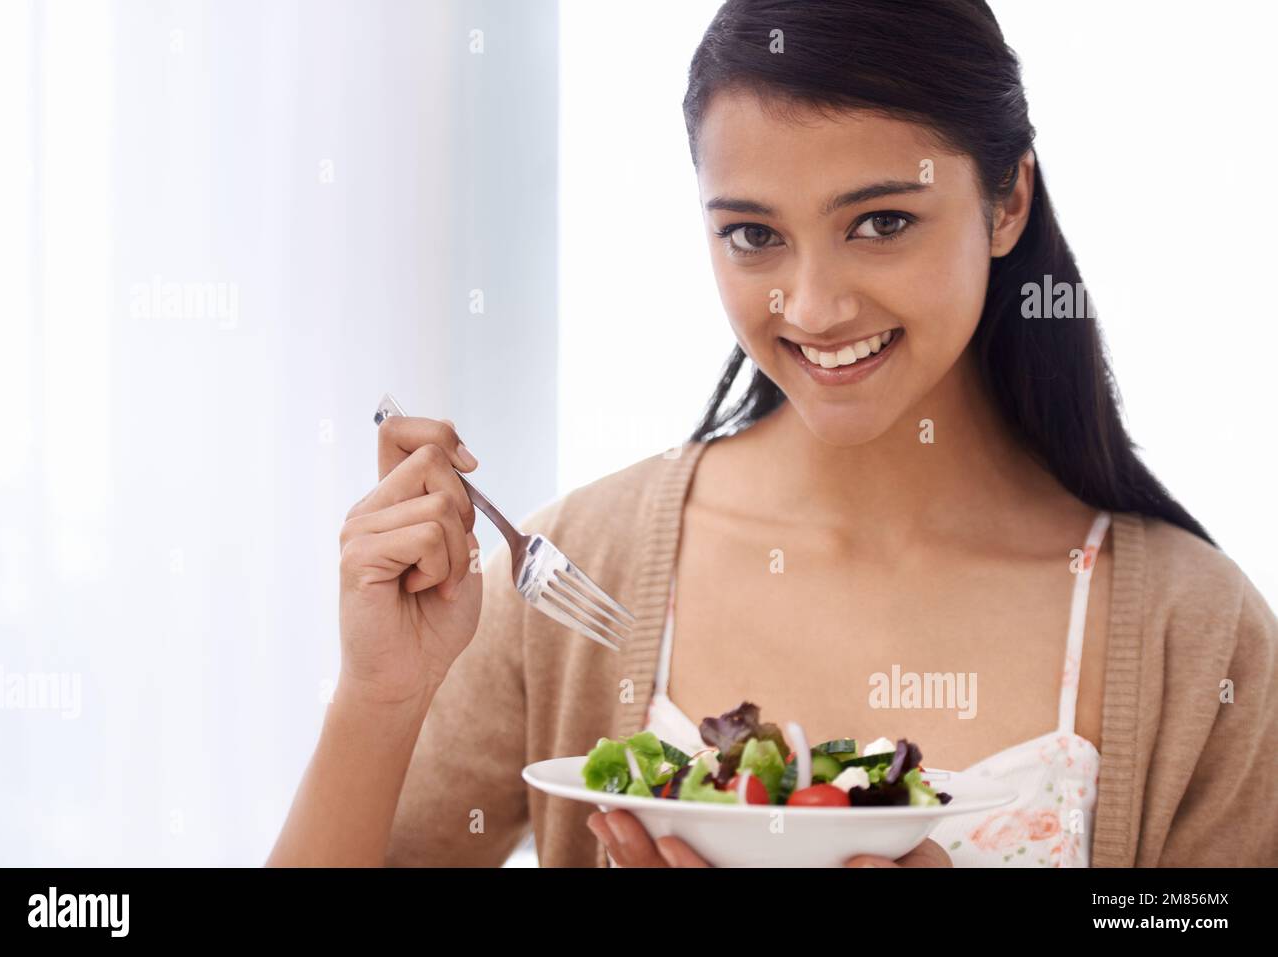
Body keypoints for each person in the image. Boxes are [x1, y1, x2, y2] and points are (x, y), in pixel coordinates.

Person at [268, 0, 1278, 868]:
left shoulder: (1193, 635)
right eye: (754, 235)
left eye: (880, 221)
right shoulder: (577, 571)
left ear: (1006, 197)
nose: (814, 306)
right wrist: (377, 698)